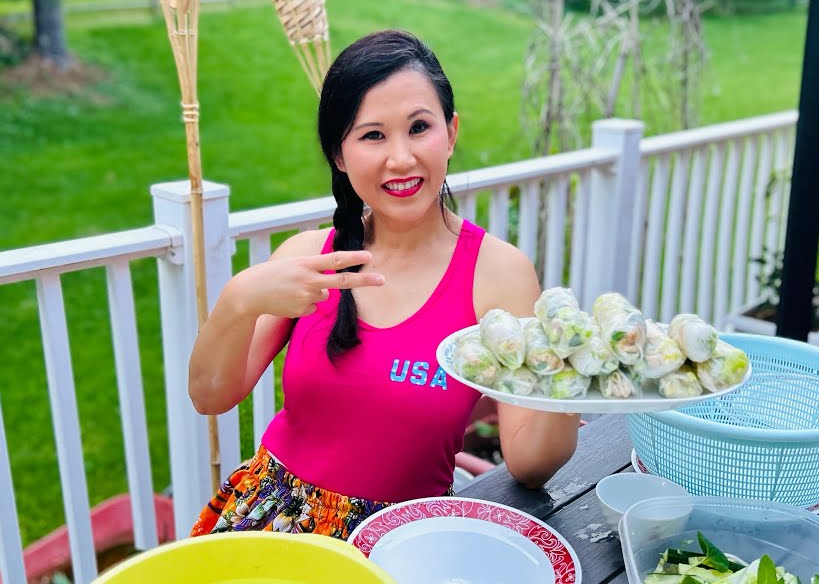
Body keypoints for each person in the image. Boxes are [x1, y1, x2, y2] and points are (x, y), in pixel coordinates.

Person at [188, 29, 580, 540]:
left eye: (419, 127)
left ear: (451, 133)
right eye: (373, 135)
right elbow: (209, 396)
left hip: (408, 542)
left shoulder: (497, 273)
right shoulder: (311, 258)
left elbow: (529, 463)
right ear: (339, 154)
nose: (401, 159)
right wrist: (238, 299)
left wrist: (571, 369)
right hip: (274, 526)